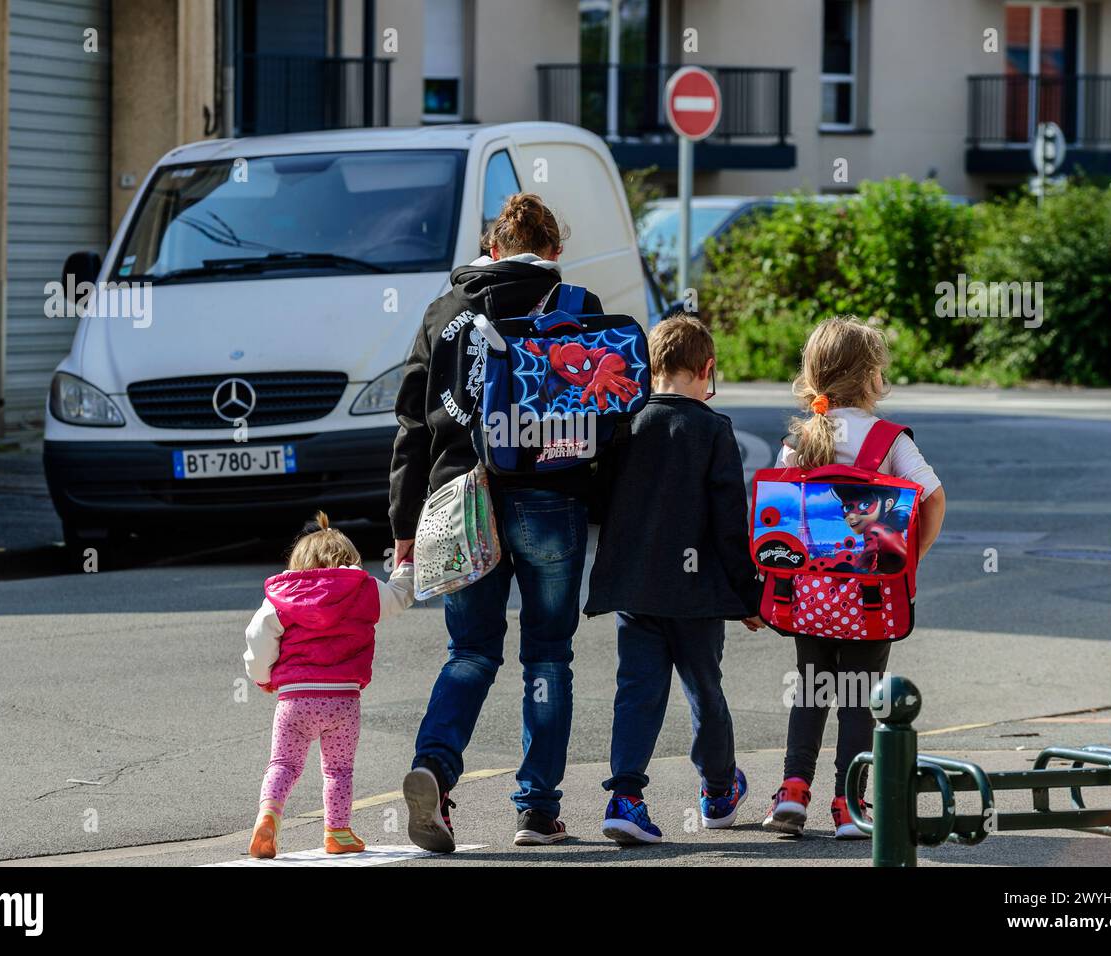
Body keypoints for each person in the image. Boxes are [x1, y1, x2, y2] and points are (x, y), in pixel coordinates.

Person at [389, 193, 604, 851]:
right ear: (554, 252)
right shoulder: (577, 307)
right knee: (547, 655)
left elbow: (410, 426)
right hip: (551, 496)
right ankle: (537, 812)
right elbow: (606, 410)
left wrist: (402, 532)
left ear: (491, 248)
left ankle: (433, 768)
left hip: (458, 498)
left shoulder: (443, 311)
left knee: (472, 652)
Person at [758, 316, 946, 839]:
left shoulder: (800, 439)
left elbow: (783, 515)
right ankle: (849, 805)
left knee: (812, 689)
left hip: (810, 595)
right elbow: (933, 498)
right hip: (868, 596)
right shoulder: (889, 440)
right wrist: (910, 558)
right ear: (872, 380)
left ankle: (793, 790)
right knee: (859, 696)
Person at [584, 314, 760, 844]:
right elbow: (730, 525)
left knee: (636, 691)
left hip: (635, 588)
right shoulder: (713, 429)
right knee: (704, 689)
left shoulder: (622, 424)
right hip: (698, 593)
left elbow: (598, 503)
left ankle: (626, 798)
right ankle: (718, 789)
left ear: (651, 366)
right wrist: (748, 595)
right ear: (707, 369)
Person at [243, 512, 414, 858]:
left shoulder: (282, 596)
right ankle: (337, 831)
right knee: (338, 769)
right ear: (349, 559)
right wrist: (407, 563)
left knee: (283, 764)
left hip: (294, 699)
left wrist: (262, 676)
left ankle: (269, 814)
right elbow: (400, 596)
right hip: (342, 699)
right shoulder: (363, 590)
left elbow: (257, 637)